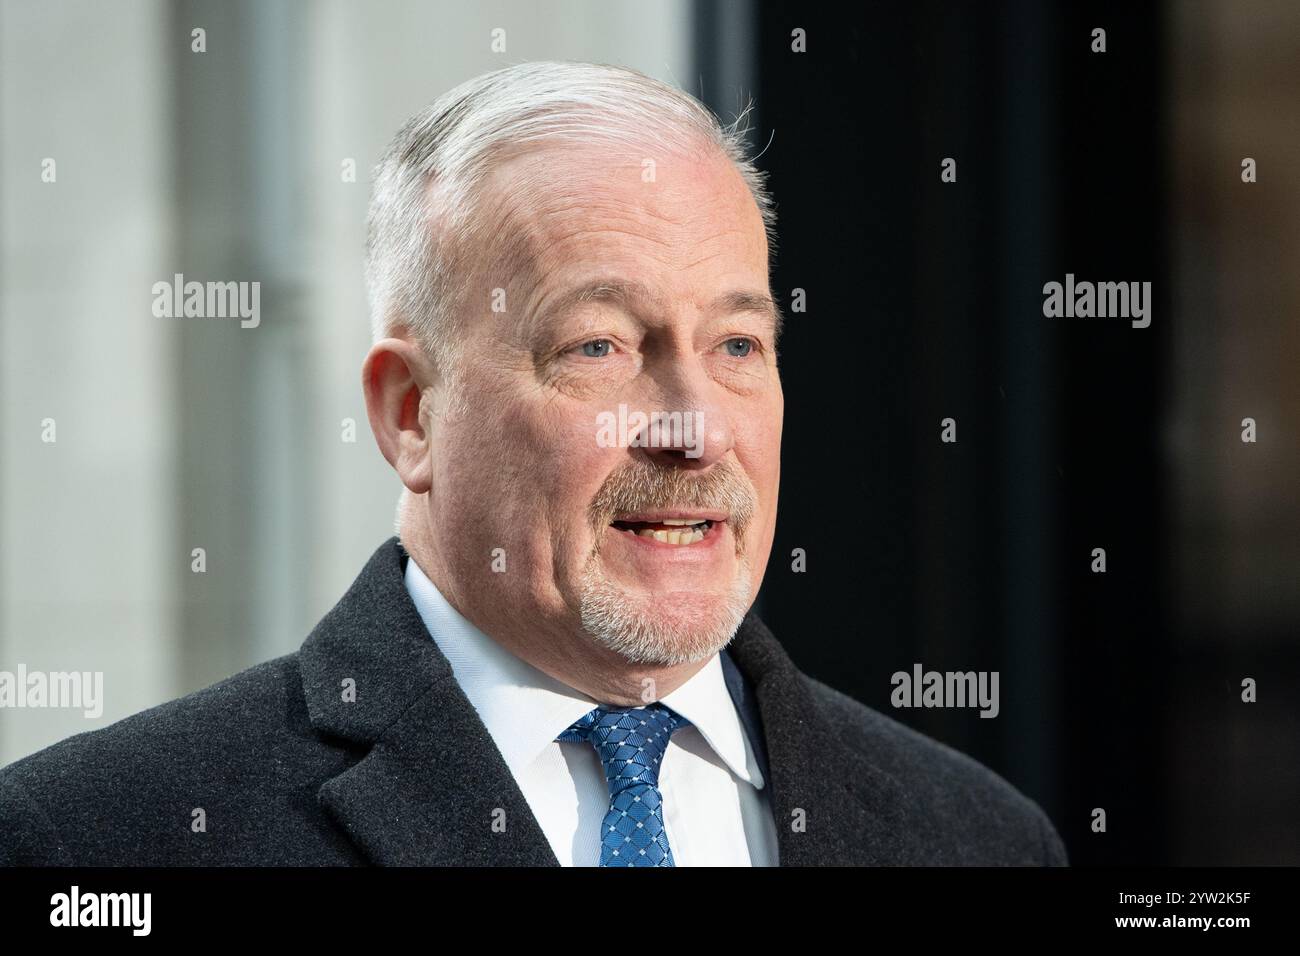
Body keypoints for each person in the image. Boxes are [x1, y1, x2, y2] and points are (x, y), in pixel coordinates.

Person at [0, 61, 1066, 866]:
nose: (693, 428)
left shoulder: (979, 838)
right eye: (599, 346)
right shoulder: (95, 840)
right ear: (411, 413)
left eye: (736, 345)